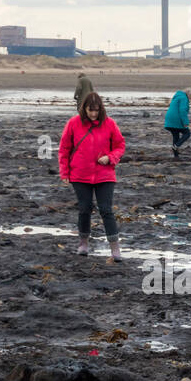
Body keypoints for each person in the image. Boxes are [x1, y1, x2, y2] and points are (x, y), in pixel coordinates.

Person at [59, 92, 126, 260]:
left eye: (96, 110)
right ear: (85, 109)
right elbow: (64, 149)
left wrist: (110, 158)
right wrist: (64, 172)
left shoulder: (110, 124)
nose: (93, 114)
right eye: (90, 110)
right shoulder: (73, 123)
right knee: (84, 209)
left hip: (105, 175)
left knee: (106, 210)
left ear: (101, 109)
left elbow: (120, 145)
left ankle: (115, 249)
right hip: (80, 175)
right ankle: (83, 244)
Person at [164, 87, 191, 158]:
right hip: (176, 119)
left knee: (176, 136)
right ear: (189, 95)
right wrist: (185, 122)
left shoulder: (177, 97)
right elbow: (182, 111)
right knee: (187, 133)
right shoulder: (184, 98)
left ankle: (176, 155)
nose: (190, 99)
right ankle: (176, 146)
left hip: (169, 119)